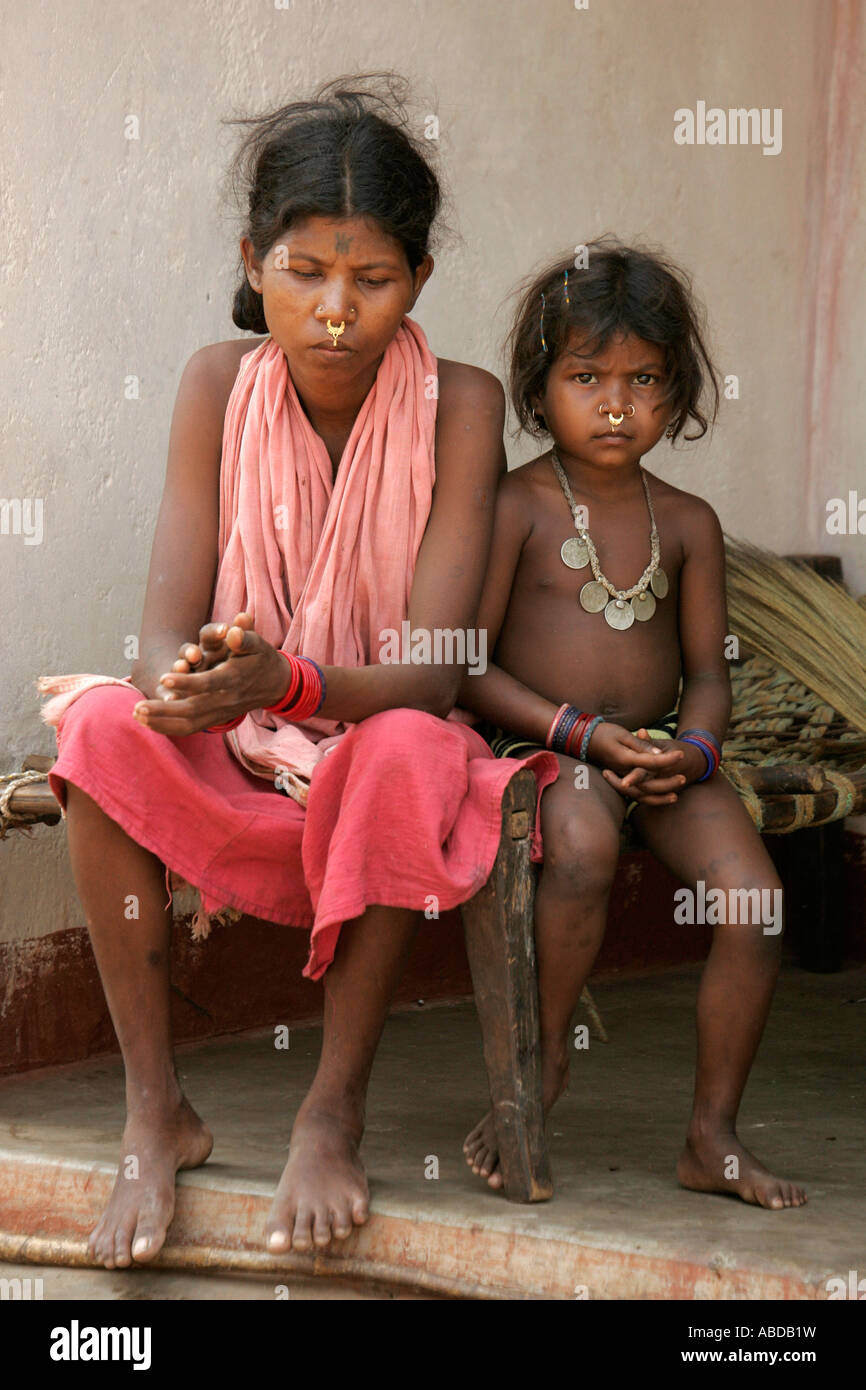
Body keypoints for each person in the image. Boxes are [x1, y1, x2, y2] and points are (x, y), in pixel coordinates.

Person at [35, 76, 560, 1270]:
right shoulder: (216, 384)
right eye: (304, 271)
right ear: (252, 262)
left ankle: (329, 1109)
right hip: (244, 736)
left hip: (369, 732)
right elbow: (164, 629)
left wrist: (294, 684)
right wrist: (197, 686)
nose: (335, 309)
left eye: (371, 279)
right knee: (105, 729)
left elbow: (433, 669)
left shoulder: (459, 403)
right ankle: (153, 1108)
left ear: (417, 280)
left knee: (414, 751)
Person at [459, 238, 807, 1210]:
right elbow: (466, 668)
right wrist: (576, 735)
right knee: (576, 841)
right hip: (542, 742)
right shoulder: (514, 506)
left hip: (658, 747)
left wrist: (689, 749)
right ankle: (541, 1072)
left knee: (751, 899)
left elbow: (708, 677)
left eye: (643, 378)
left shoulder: (688, 521)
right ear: (538, 390)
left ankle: (711, 1134)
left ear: (677, 391)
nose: (615, 403)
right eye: (585, 376)